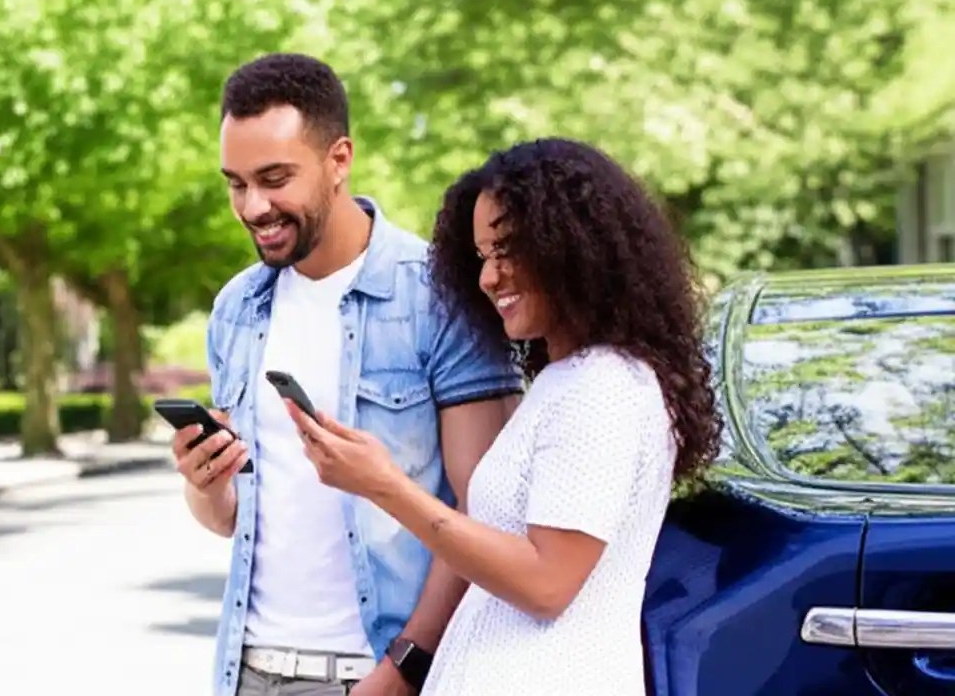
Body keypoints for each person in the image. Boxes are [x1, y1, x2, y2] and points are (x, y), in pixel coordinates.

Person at [282, 138, 723, 695]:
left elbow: (546, 583)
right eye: (484, 257)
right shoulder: (566, 378)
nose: (490, 278)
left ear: (574, 247)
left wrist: (386, 486)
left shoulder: (603, 388)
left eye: (509, 250)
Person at [169, 53, 523, 696]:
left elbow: (486, 512)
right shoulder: (236, 310)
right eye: (236, 183)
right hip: (248, 671)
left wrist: (403, 670)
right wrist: (205, 486)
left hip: (381, 671)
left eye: (275, 178)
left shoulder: (438, 296)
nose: (253, 206)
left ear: (339, 159)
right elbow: (230, 519)